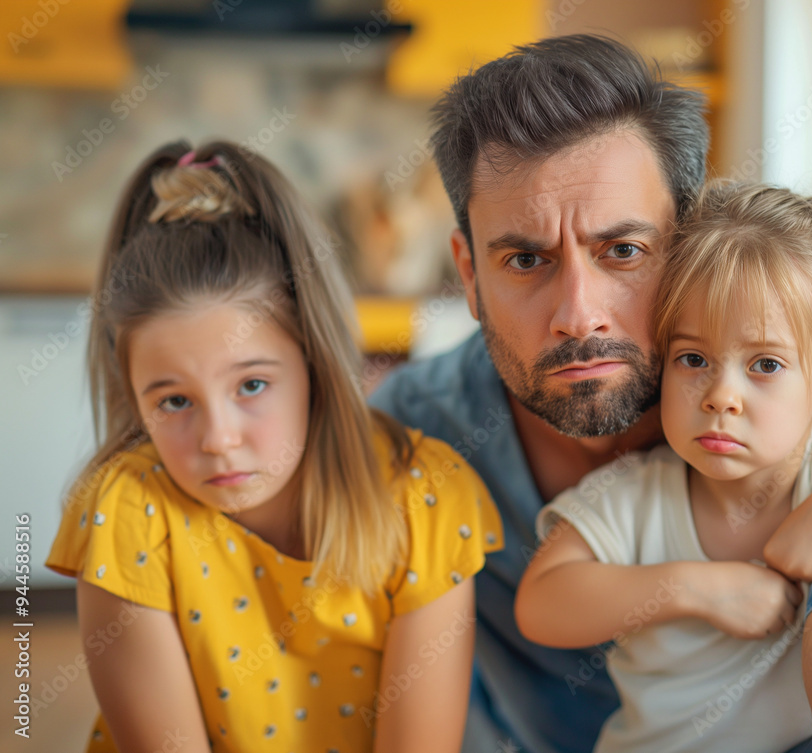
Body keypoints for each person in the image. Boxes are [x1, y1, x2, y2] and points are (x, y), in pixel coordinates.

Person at [370, 35, 812, 753]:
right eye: (526, 259)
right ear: (470, 274)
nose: (579, 315)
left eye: (623, 251)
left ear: (688, 245)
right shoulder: (410, 435)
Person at [45, 140, 503, 753]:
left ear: (315, 362)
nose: (218, 439)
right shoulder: (124, 513)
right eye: (174, 401)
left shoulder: (427, 501)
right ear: (132, 394)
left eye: (252, 385)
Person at [514, 181, 812, 752]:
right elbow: (540, 604)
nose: (722, 396)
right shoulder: (637, 493)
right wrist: (698, 589)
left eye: (765, 364)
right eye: (693, 358)